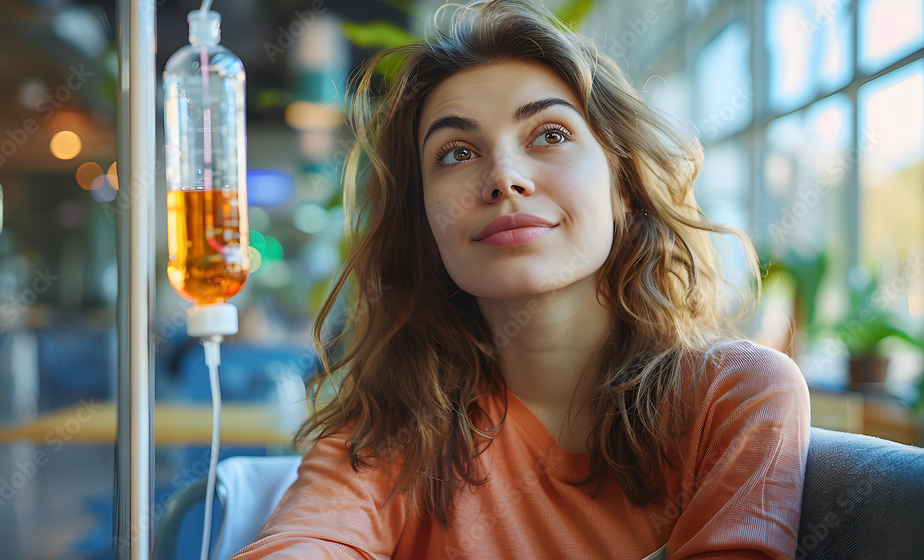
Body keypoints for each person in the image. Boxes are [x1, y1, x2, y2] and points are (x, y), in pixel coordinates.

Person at [232, 1, 810, 558]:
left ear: (623, 186)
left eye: (550, 135)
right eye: (457, 152)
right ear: (426, 221)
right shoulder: (393, 427)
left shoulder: (733, 398)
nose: (504, 178)